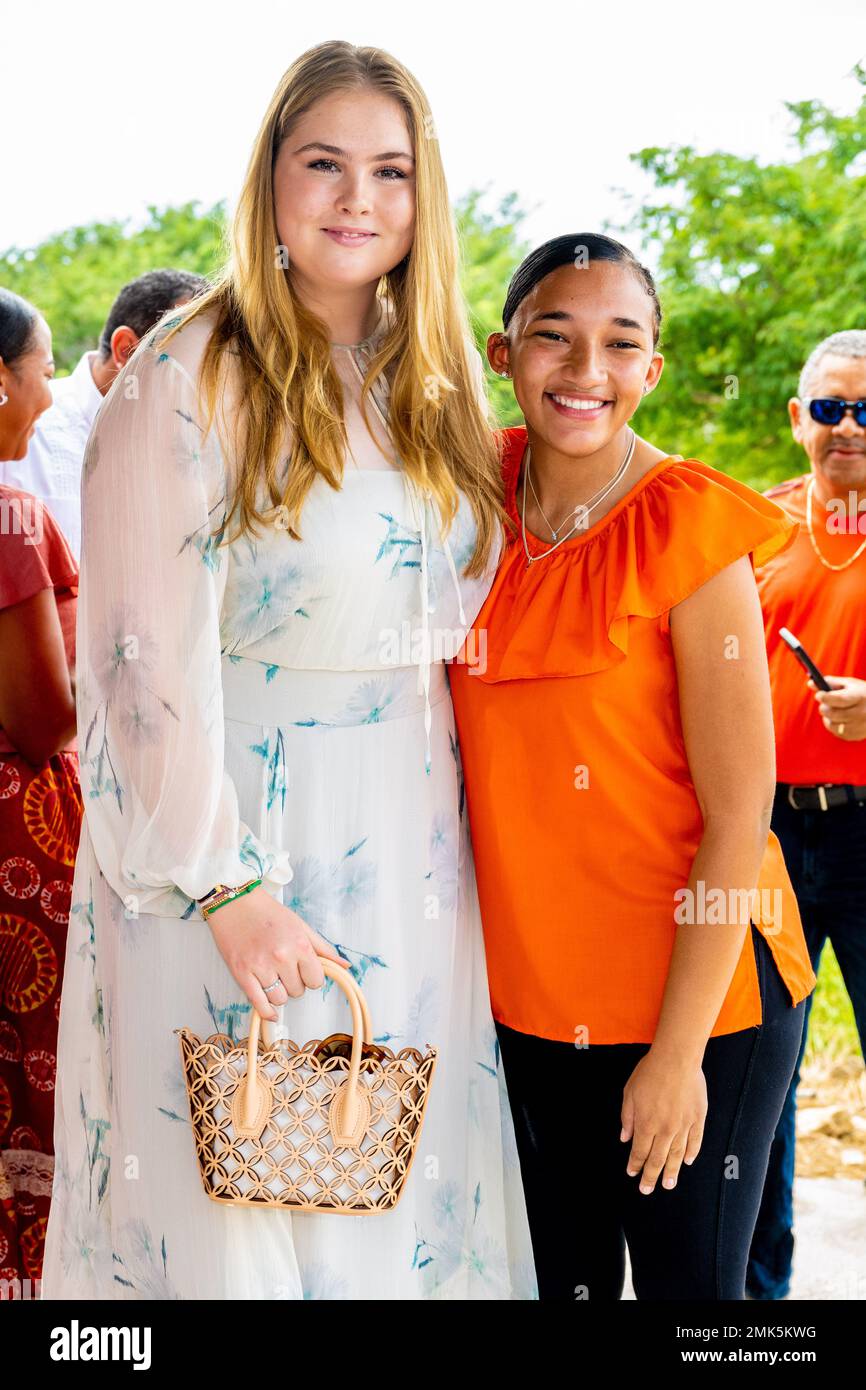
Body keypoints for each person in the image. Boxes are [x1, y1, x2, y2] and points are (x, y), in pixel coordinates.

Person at [40, 41, 535, 1301]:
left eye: (389, 169)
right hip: (234, 853)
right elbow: (136, 664)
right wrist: (228, 890)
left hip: (413, 845)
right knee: (245, 1179)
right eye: (323, 163)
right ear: (268, 179)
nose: (356, 199)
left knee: (393, 1183)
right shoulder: (186, 375)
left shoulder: (431, 377)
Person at [448, 233, 817, 1301]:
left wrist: (677, 1055)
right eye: (552, 339)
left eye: (619, 344)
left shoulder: (686, 526)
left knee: (691, 1301)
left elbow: (740, 806)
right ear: (502, 350)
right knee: (555, 1283)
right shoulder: (467, 495)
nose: (584, 373)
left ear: (650, 367)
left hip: (698, 999)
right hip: (528, 1001)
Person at [746, 329, 866, 1301]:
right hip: (768, 836)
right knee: (761, 1082)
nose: (846, 429)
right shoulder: (753, 527)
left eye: (865, 411)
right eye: (829, 408)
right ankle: (754, 1304)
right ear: (796, 419)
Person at [0, 289, 81, 1295]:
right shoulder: (12, 512)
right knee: (33, 1079)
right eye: (41, 366)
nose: (49, 391)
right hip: (17, 835)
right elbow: (41, 718)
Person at [0, 270, 208, 561]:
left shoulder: (194, 451)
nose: (206, 385)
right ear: (126, 349)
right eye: (193, 363)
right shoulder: (23, 428)